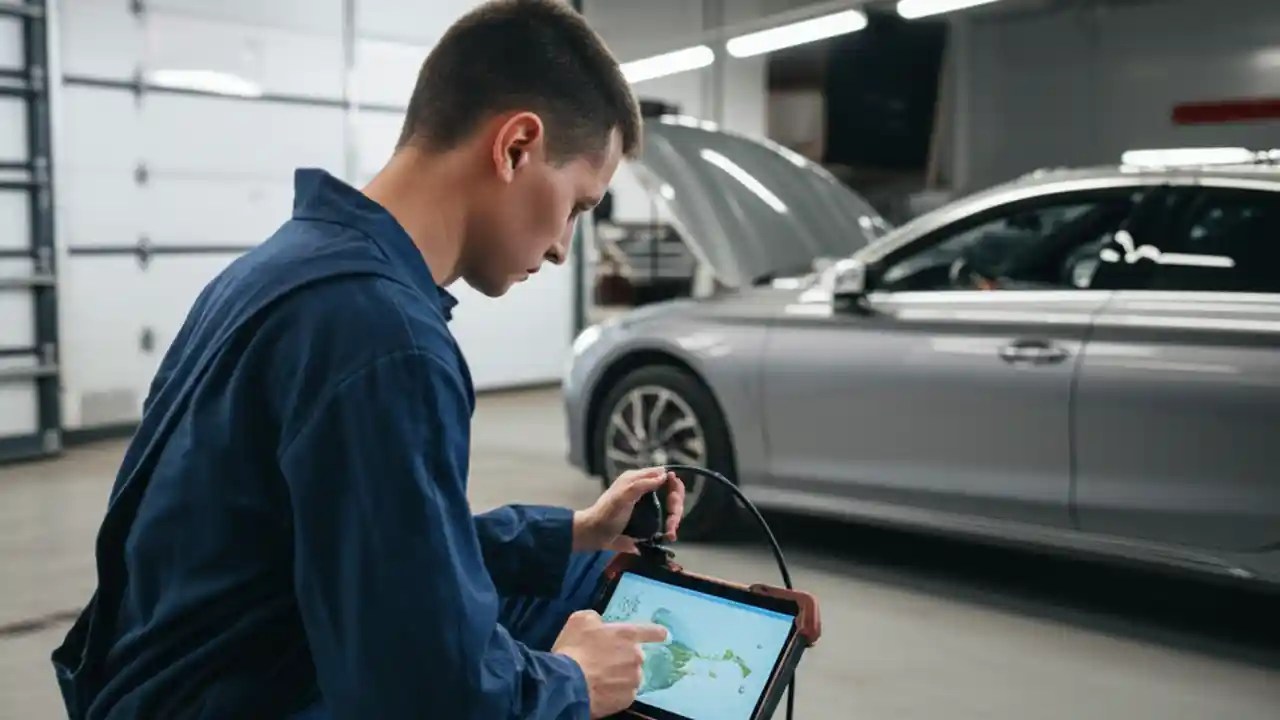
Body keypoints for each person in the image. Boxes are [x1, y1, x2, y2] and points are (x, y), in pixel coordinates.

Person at [51, 1, 686, 718]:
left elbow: (375, 547)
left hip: (163, 686)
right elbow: (426, 696)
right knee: (588, 666)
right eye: (576, 205)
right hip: (242, 697)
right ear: (515, 147)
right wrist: (572, 681)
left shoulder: (285, 269)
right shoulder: (387, 340)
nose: (563, 247)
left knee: (585, 572)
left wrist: (571, 532)